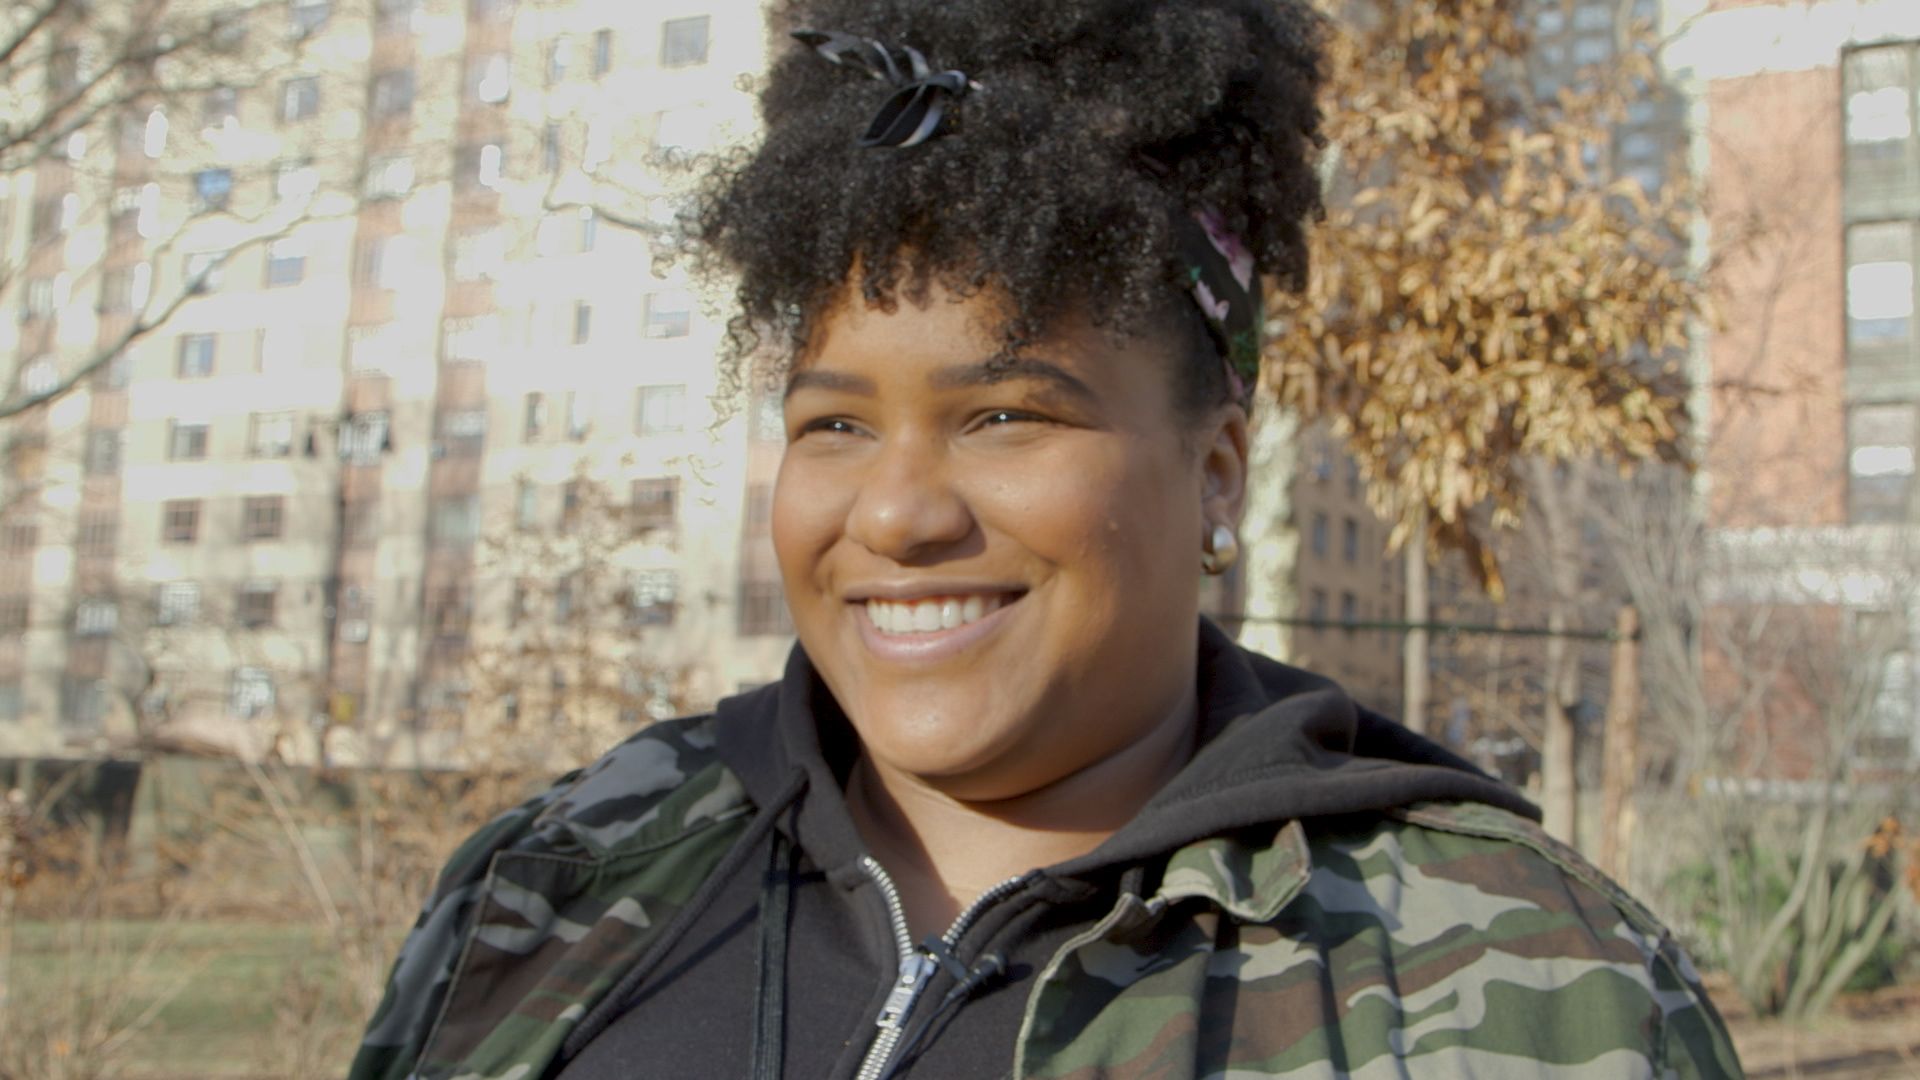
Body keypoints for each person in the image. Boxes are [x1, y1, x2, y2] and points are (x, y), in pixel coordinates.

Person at [350, 0, 1745, 1077]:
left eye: (1007, 416)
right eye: (833, 424)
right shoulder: (563, 880)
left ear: (1217, 470)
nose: (895, 513)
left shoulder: (1531, 988)